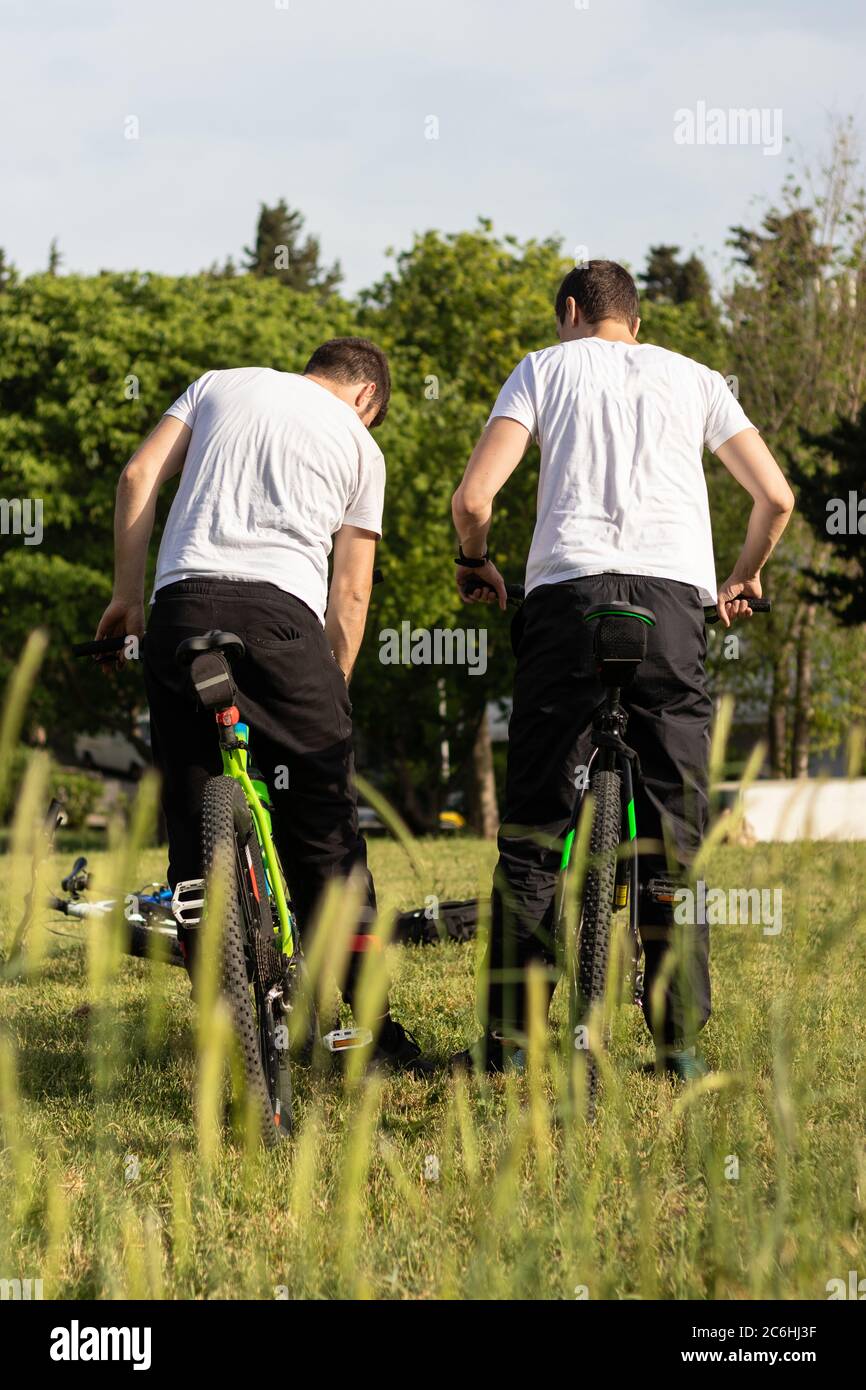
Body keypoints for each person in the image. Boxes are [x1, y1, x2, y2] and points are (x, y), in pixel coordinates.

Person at [450, 260, 795, 1078]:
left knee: (536, 829)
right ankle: (678, 1047)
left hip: (567, 601)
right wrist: (741, 578)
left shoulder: (543, 368)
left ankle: (510, 1043)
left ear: (570, 312)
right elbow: (776, 498)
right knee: (675, 834)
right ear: (635, 321)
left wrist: (476, 560)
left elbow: (473, 500)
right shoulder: (697, 378)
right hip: (672, 607)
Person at [95, 337, 423, 1069]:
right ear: (368, 398)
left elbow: (138, 474)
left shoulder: (218, 383)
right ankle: (372, 1032)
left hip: (180, 609)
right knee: (325, 830)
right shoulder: (361, 447)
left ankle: (223, 1024)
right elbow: (351, 591)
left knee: (191, 834)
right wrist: (331, 688)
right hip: (280, 620)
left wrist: (127, 597)